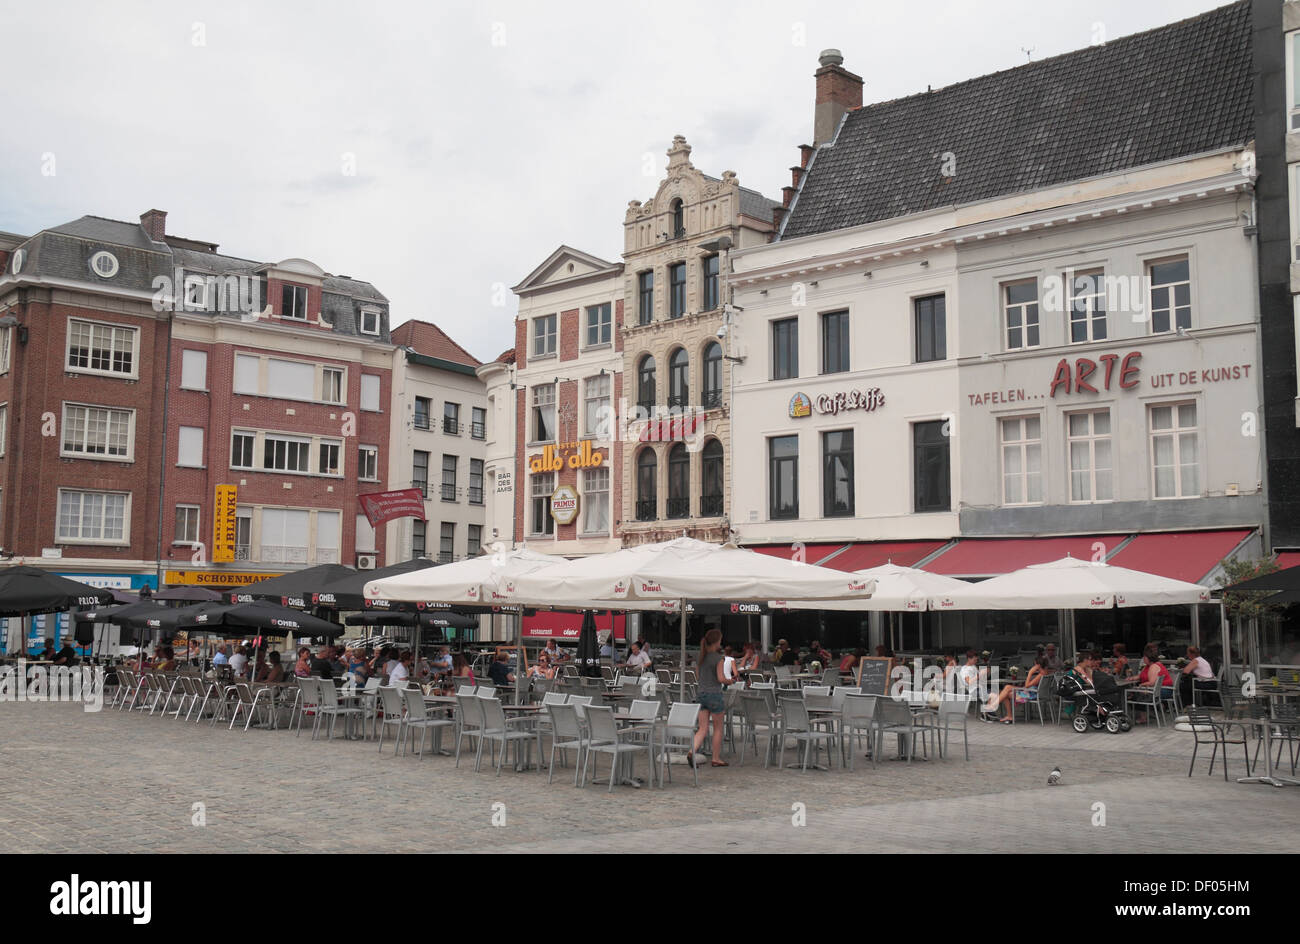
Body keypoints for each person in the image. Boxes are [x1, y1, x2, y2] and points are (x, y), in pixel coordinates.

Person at [687, 628, 737, 769]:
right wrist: (731, 681)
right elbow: (721, 678)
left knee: (702, 728)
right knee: (718, 728)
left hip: (701, 694)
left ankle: (692, 751)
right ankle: (716, 758)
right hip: (714, 694)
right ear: (717, 641)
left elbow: (698, 675)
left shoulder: (700, 656)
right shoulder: (718, 658)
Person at [983, 656, 1050, 722]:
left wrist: (1030, 672)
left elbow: (1027, 685)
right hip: (1031, 692)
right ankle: (1002, 713)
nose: (1033, 666)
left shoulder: (1041, 675)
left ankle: (994, 709)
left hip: (1031, 694)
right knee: (1007, 688)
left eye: (1034, 665)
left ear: (1038, 665)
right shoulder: (1045, 673)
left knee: (1005, 692)